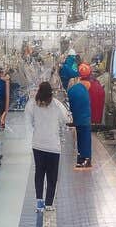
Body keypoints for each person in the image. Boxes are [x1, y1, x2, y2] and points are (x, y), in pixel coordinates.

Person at [27, 80, 68, 213]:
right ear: (51, 92)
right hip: (53, 146)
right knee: (52, 175)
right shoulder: (56, 104)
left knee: (39, 173)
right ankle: (49, 203)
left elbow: (29, 120)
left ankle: (39, 203)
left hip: (37, 144)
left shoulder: (33, 103)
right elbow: (65, 119)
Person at [67, 69, 92, 170]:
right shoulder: (82, 88)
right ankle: (85, 159)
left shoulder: (72, 91)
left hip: (79, 118)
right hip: (86, 117)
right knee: (85, 139)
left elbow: (70, 107)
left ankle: (83, 159)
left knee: (81, 139)